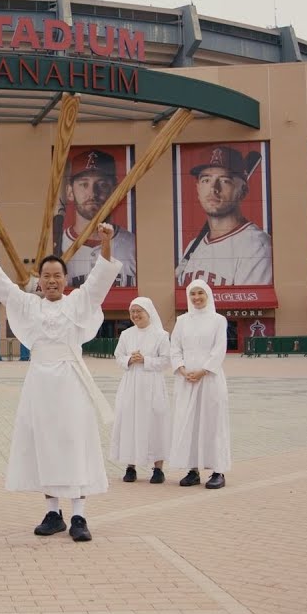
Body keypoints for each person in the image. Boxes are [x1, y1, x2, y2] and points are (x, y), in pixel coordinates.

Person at [0, 223, 123, 543]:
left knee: (75, 443)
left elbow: (100, 278)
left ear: (66, 279)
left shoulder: (78, 302)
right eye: (46, 276)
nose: (52, 281)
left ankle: (79, 515)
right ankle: (52, 513)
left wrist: (106, 242)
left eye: (57, 275)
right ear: (39, 281)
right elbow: (1, 285)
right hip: (40, 385)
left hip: (72, 383)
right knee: (44, 445)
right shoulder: (30, 305)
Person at [175, 146, 273, 287]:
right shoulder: (194, 246)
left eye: (225, 181)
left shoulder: (257, 247)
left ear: (243, 191)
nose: (213, 189)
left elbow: (250, 301)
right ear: (198, 188)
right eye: (206, 180)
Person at [169, 280, 232, 490]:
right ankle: (192, 470)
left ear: (208, 294)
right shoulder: (182, 321)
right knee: (189, 423)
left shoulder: (218, 320)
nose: (196, 298)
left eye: (200, 293)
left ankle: (218, 471)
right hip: (187, 380)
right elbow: (175, 348)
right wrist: (182, 369)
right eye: (192, 294)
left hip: (210, 379)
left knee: (213, 423)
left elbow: (219, 349)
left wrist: (203, 371)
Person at [110, 296, 172, 485]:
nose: (135, 315)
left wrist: (146, 360)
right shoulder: (126, 334)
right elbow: (118, 356)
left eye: (139, 311)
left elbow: (166, 360)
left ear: (148, 312)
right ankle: (131, 466)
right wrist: (130, 359)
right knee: (129, 422)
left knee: (155, 422)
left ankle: (158, 469)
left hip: (152, 384)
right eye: (132, 312)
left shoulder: (161, 335)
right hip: (131, 384)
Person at [55, 149, 136, 288]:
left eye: (102, 184)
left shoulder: (133, 245)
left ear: (114, 191)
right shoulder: (57, 245)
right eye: (84, 184)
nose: (92, 193)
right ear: (69, 191)